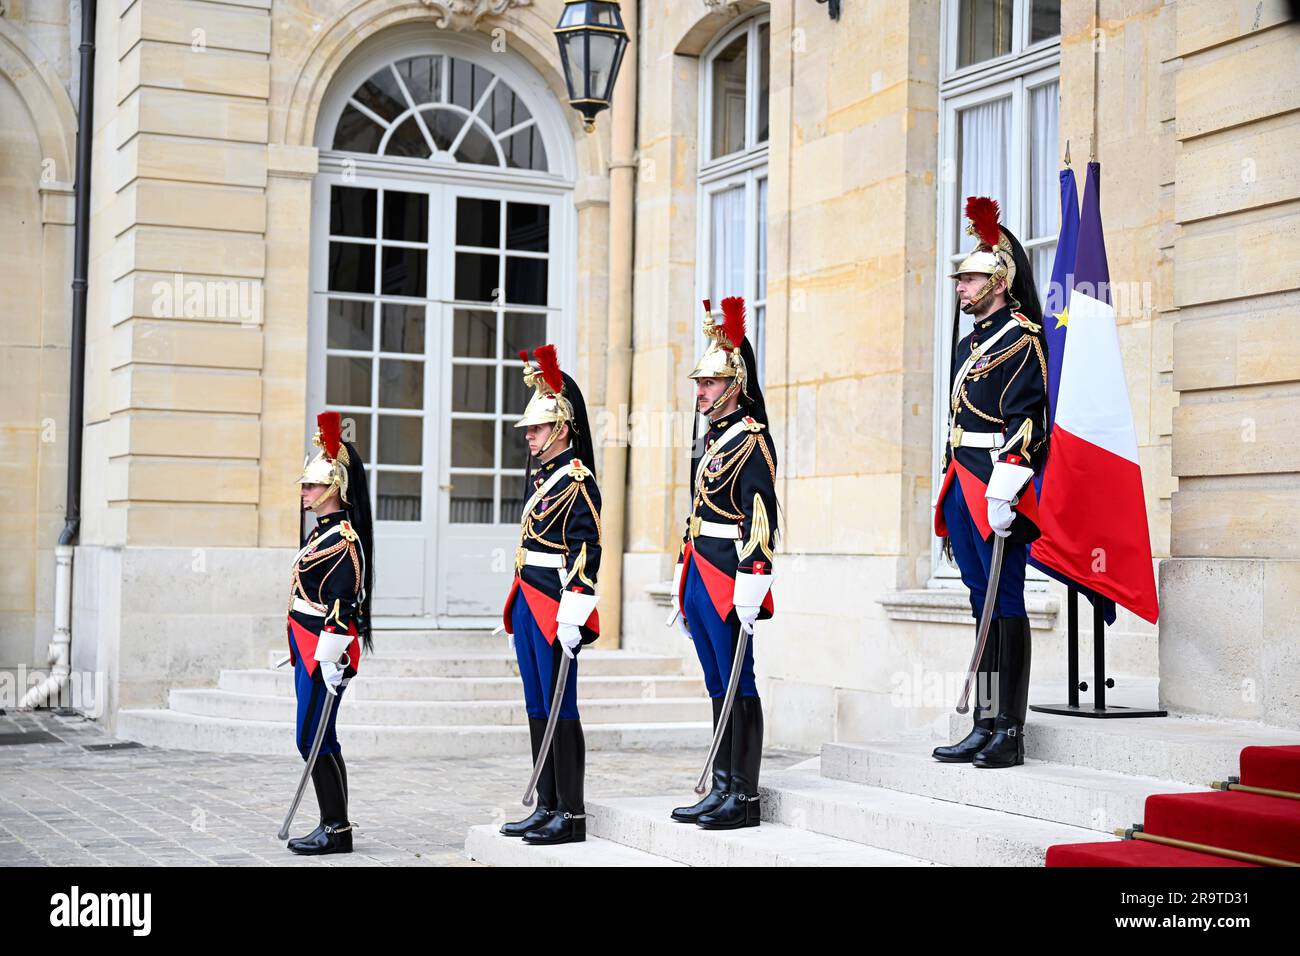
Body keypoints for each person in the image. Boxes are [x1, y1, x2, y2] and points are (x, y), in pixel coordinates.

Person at [931, 197, 1049, 770]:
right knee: (980, 602)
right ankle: (983, 720)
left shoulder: (1021, 337)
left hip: (996, 483)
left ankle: (1011, 730)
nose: (961, 285)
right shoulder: (968, 342)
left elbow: (1029, 416)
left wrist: (1007, 484)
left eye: (971, 277)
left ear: (999, 280)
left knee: (1006, 601)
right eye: (961, 278)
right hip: (962, 481)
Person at [666, 297, 778, 829]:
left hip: (730, 576)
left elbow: (761, 515)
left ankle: (746, 796)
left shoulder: (751, 441)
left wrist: (755, 579)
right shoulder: (713, 440)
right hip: (701, 569)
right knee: (717, 681)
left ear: (734, 385)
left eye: (709, 383)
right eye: (699, 383)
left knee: (740, 680)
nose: (700, 392)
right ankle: (723, 782)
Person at [498, 345, 602, 846]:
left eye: (536, 429)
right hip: (529, 598)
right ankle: (546, 803)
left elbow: (587, 552)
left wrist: (573, 613)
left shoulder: (577, 481)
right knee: (537, 705)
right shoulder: (542, 477)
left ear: (560, 429)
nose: (529, 437)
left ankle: (572, 812)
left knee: (563, 706)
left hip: (555, 605)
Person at [285, 410, 374, 853]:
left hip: (324, 650)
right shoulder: (322, 534)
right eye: (304, 485)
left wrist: (333, 657)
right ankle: (335, 826)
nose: (305, 492)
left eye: (313, 486)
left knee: (312, 735)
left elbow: (342, 607)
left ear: (334, 487)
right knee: (321, 735)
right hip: (308, 645)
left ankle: (336, 828)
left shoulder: (342, 540)